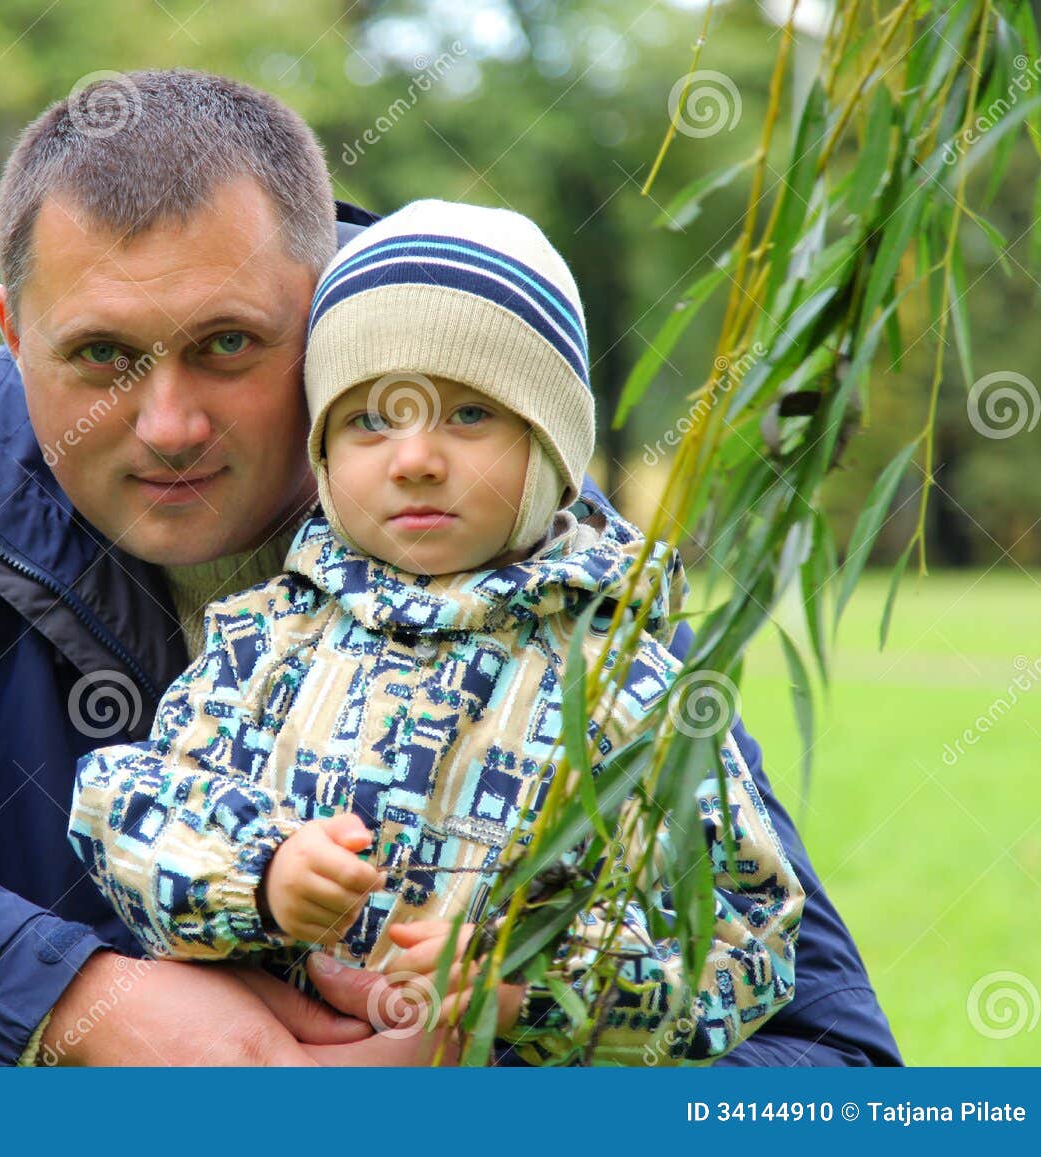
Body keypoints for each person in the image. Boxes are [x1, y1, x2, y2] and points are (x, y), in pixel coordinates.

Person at [0, 69, 899, 1067]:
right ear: (14, 334)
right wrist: (78, 998)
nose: (170, 421)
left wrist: (509, 1032)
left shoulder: (501, 516)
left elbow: (823, 1051)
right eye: (103, 358)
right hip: (16, 1071)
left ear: (327, 313)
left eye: (230, 347)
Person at [68, 199, 804, 1064]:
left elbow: (746, 940)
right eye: (371, 419)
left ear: (551, 450)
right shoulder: (267, 642)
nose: (415, 457)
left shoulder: (628, 686)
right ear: (326, 454)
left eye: (469, 415)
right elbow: (119, 804)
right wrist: (261, 874)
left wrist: (531, 984)